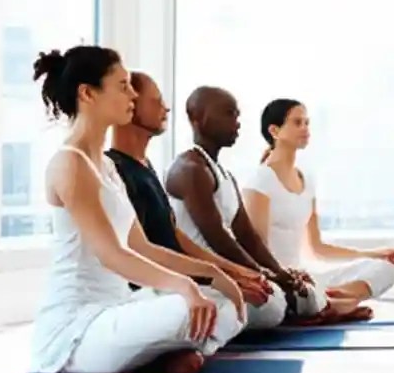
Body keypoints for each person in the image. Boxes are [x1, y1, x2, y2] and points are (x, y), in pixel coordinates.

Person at [30, 47, 243, 373]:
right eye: (123, 85)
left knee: (228, 306)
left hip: (121, 308)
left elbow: (142, 247)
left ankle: (163, 353)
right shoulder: (70, 164)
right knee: (184, 307)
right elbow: (112, 255)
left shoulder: (107, 166)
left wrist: (213, 273)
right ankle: (169, 351)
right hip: (78, 328)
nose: (132, 94)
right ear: (87, 93)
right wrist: (186, 286)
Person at [165, 86, 369, 324]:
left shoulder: (225, 174)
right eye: (229, 114)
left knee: (284, 291)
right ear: (198, 119)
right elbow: (217, 238)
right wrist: (264, 274)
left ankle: (315, 306)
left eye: (238, 115)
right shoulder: (190, 169)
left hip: (236, 274)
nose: (238, 122)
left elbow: (246, 235)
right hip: (210, 279)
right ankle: (316, 308)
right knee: (272, 304)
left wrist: (281, 273)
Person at [106, 72, 285, 331]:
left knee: (269, 299)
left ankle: (183, 343)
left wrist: (234, 271)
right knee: (267, 304)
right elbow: (139, 251)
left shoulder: (146, 166)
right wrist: (217, 277)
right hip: (150, 290)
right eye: (156, 101)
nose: (166, 108)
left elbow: (174, 235)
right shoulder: (116, 168)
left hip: (179, 281)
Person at [241, 99, 394, 303]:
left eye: (307, 123)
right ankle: (329, 303)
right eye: (297, 123)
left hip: (304, 278)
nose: (305, 128)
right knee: (295, 296)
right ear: (274, 131)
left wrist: (374, 253)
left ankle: (335, 301)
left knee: (388, 266)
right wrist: (287, 277)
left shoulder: (307, 179)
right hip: (278, 282)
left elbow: (317, 248)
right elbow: (256, 251)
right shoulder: (260, 181)